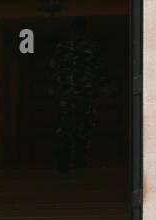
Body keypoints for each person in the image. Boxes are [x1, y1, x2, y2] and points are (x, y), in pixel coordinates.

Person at [49, 18, 111, 175]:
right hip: (77, 93)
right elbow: (100, 70)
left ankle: (72, 159)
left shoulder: (64, 47)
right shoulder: (68, 47)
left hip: (75, 93)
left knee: (75, 126)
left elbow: (53, 69)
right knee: (75, 126)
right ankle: (71, 159)